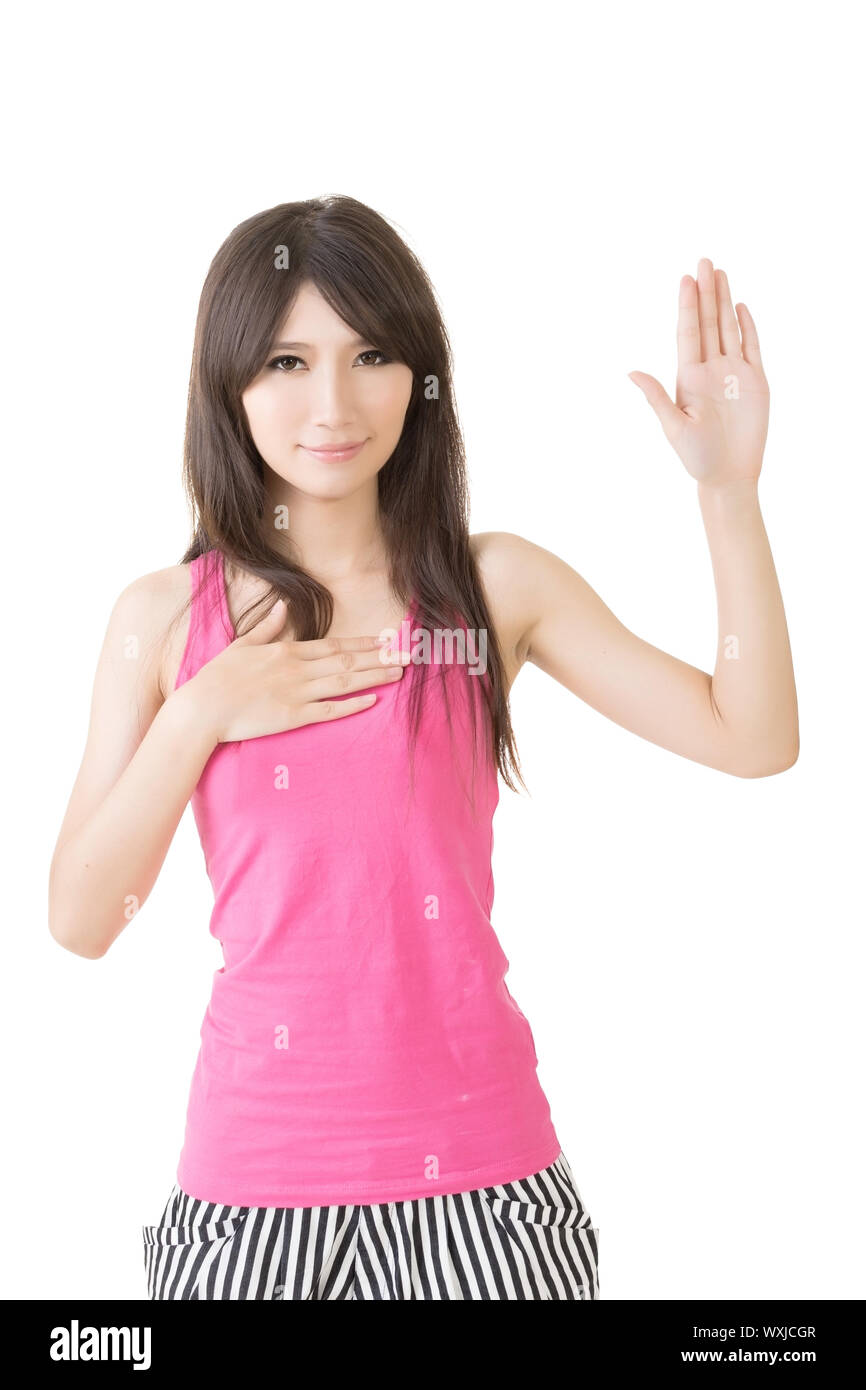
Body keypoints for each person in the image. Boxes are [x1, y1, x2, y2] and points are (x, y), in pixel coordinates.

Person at [47, 196, 798, 1301]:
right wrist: (203, 709)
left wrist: (726, 493)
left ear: (419, 374)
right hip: (252, 1198)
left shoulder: (492, 588)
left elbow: (754, 737)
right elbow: (79, 921)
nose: (333, 403)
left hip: (485, 1198)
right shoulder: (160, 620)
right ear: (229, 385)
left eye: (372, 354)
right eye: (287, 362)